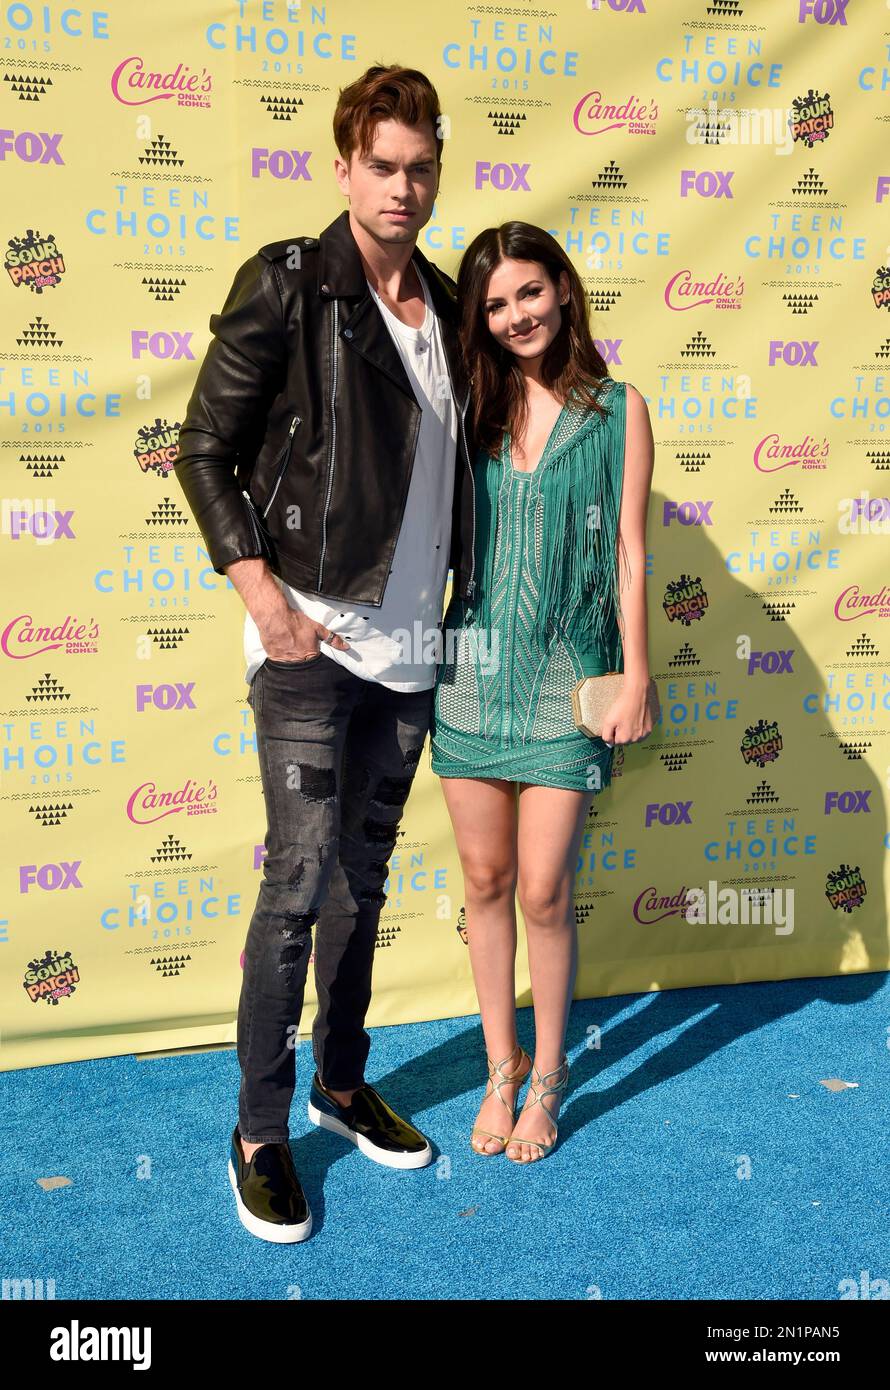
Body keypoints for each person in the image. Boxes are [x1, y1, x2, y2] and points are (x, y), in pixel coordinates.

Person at [173, 64, 479, 1242]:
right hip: (308, 636)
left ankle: (341, 1086)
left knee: (361, 886)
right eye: (383, 166)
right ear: (344, 166)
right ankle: (257, 1130)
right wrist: (265, 598)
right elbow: (205, 449)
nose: (403, 187)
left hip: (408, 654)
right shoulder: (291, 284)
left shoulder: (449, 310)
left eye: (420, 166)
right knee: (297, 886)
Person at [429, 222, 655, 1163]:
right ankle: (500, 1068)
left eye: (529, 292)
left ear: (562, 290)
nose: (515, 315)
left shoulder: (618, 410)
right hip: (472, 679)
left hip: (570, 684)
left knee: (545, 890)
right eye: (494, 304)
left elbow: (631, 554)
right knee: (483, 882)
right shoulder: (467, 411)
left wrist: (637, 673)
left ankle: (552, 1077)